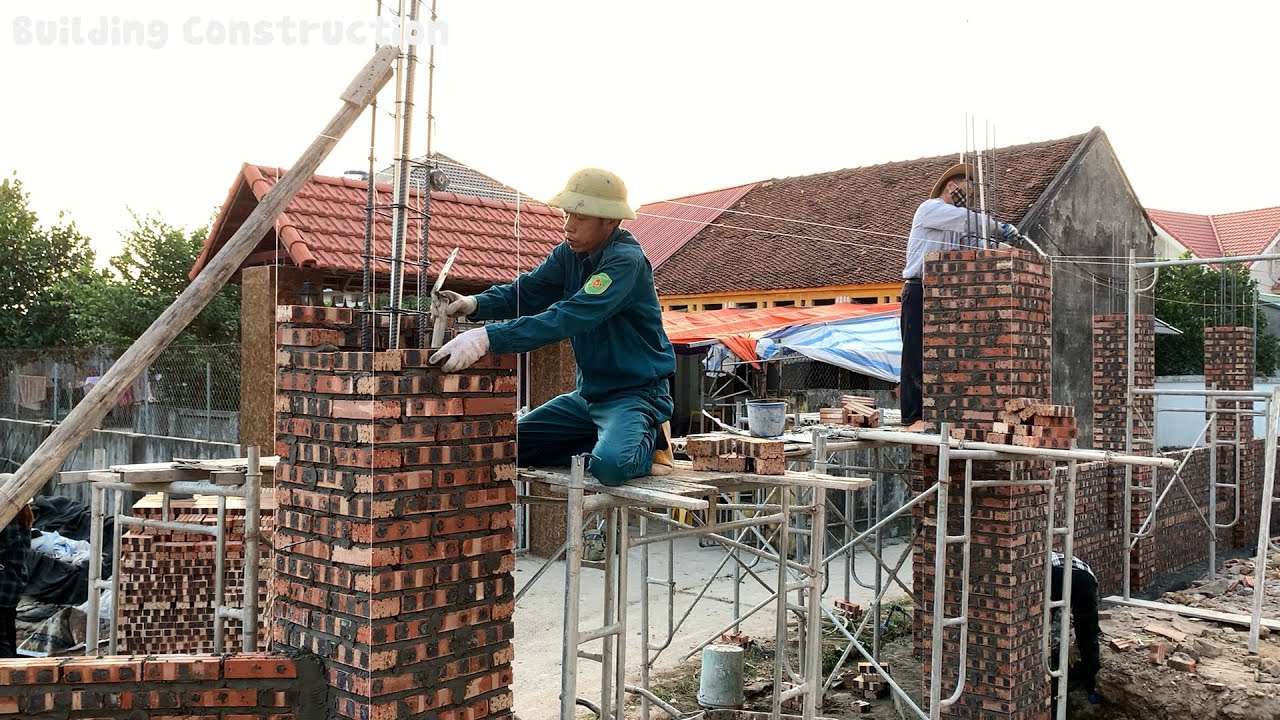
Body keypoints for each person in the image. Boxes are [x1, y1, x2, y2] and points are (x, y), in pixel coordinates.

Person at [430, 168, 677, 486]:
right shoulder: (568, 254)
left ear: (611, 221)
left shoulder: (625, 262)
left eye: (581, 218)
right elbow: (529, 291)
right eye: (567, 214)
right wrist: (473, 304)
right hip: (589, 397)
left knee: (610, 468)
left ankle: (649, 441)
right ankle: (605, 440)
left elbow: (570, 316)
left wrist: (487, 338)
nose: (568, 226)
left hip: (634, 395)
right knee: (508, 447)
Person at [899, 163, 1020, 432]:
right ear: (951, 187)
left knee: (940, 356)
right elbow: (970, 221)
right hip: (919, 288)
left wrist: (1005, 249)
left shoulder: (958, 221)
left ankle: (934, 413)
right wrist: (999, 227)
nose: (970, 199)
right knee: (914, 355)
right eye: (967, 191)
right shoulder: (930, 209)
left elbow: (977, 244)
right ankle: (911, 418)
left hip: (944, 295)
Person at [1050, 551, 1102, 704]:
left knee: (1043, 626)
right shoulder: (1058, 555)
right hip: (1085, 578)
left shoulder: (1040, 558)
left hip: (1056, 574)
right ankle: (1091, 690)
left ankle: (1047, 679)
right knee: (1088, 638)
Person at [0, 503, 34, 658]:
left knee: (2, 640)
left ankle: (7, 674)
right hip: (12, 585)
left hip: (4, 585)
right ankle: (14, 672)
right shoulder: (22, 518)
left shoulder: (8, 522)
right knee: (8, 631)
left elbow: (5, 549)